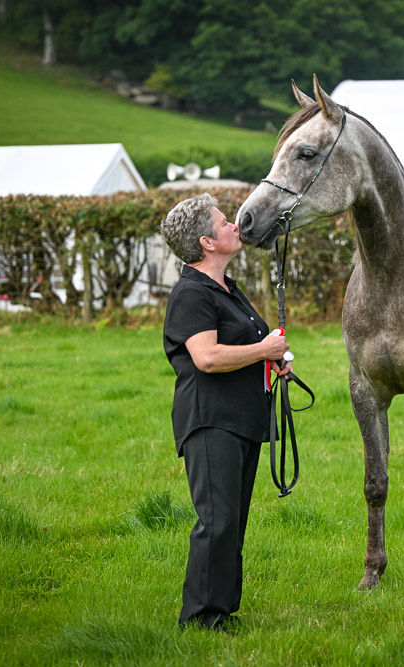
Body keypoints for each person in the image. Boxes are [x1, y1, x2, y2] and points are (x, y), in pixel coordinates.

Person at [161, 194, 290, 632]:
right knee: (217, 521)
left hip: (240, 420)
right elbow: (208, 357)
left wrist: (272, 360)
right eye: (223, 222)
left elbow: (242, 348)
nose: (235, 224)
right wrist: (264, 349)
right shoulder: (191, 294)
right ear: (206, 242)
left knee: (232, 522)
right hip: (211, 421)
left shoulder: (227, 289)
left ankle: (222, 612)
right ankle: (201, 619)